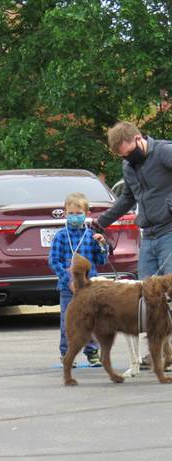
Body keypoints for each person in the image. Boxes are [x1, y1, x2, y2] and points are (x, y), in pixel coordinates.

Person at [96, 121, 172, 368]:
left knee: (170, 294)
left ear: (139, 138)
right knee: (148, 298)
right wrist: (101, 222)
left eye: (129, 152)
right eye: (123, 156)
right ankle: (161, 354)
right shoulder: (129, 166)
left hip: (170, 230)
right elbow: (127, 198)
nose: (128, 158)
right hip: (148, 235)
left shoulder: (163, 152)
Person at [49, 192, 109, 366]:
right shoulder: (61, 235)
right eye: (71, 214)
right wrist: (68, 278)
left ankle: (92, 352)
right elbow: (54, 260)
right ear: (65, 213)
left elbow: (101, 261)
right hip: (69, 287)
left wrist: (102, 245)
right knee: (68, 319)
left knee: (92, 318)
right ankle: (67, 352)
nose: (75, 217)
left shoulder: (91, 235)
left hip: (90, 286)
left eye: (78, 213)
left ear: (86, 213)